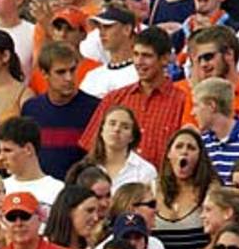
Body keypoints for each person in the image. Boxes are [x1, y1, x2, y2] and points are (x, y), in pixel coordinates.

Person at [79, 27, 187, 170]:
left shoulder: (182, 101)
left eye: (147, 56)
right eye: (135, 54)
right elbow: (91, 148)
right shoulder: (115, 99)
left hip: (163, 181)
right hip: (116, 180)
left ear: (165, 59)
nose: (139, 62)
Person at [22, 41, 103, 180]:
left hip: (80, 187)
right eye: (61, 72)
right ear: (44, 73)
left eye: (72, 70)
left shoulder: (95, 108)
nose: (69, 78)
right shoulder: (31, 109)